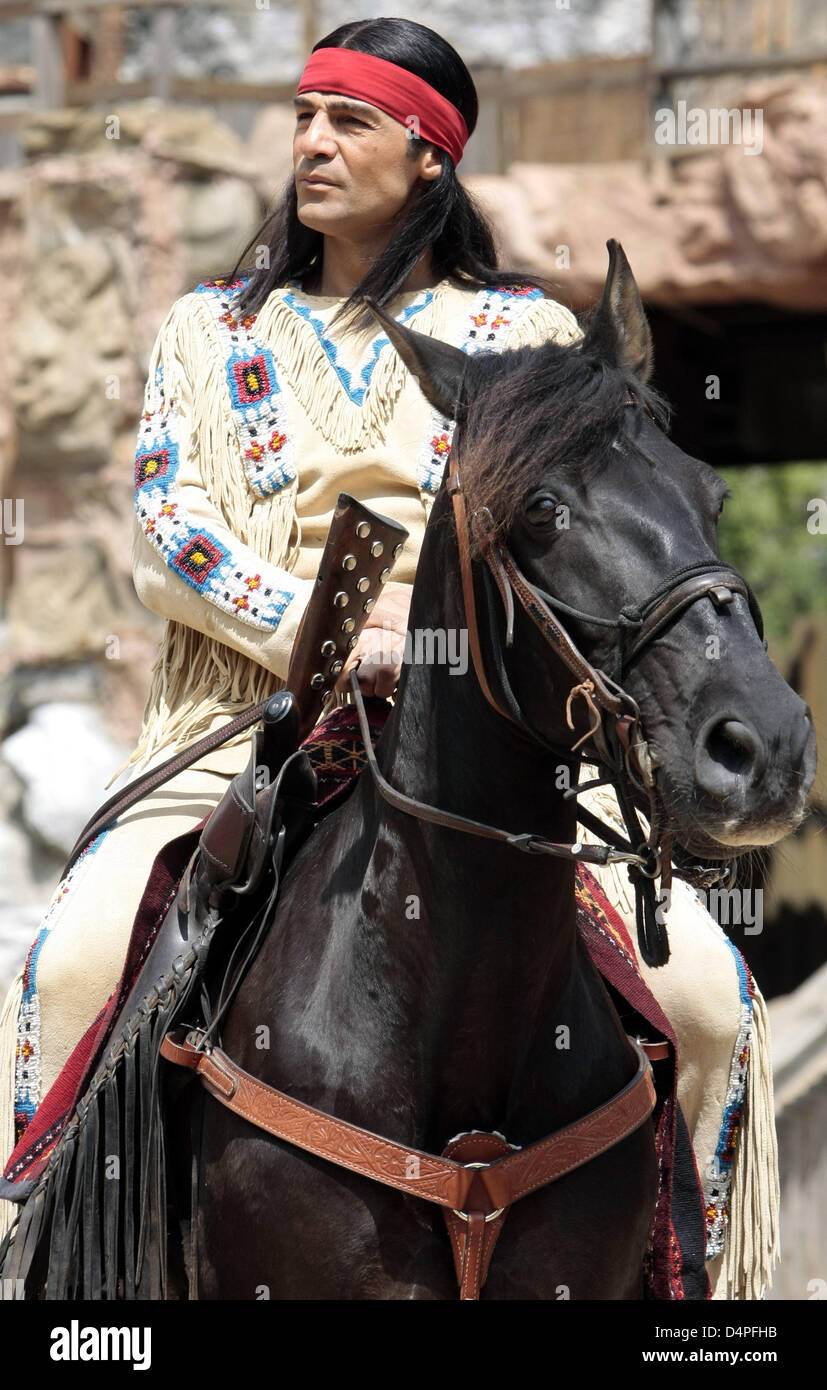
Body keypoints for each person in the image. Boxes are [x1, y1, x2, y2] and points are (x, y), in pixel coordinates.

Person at [0, 18, 777, 1300]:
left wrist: (422, 649)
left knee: (708, 1000)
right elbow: (170, 531)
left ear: (429, 156)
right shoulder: (213, 328)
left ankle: (706, 1307)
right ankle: (71, 1292)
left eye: (348, 120)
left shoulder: (524, 332)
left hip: (489, 758)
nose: (310, 141)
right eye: (303, 114)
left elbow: (581, 531)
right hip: (243, 730)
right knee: (75, 958)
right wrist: (327, 629)